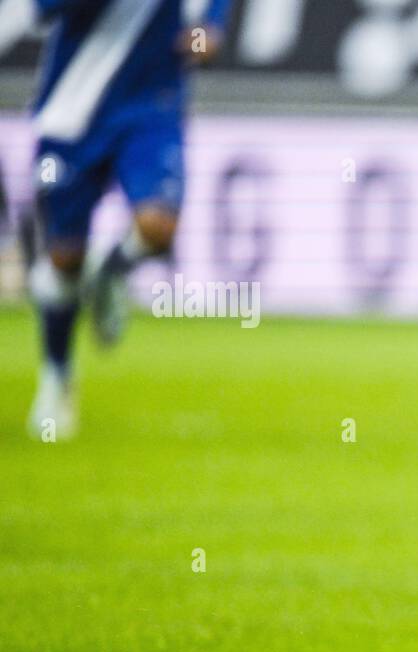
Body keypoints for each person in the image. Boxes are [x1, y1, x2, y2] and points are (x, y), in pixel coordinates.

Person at [26, 0, 229, 439]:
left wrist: (196, 42)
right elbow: (41, 11)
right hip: (72, 112)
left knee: (159, 225)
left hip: (151, 112)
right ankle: (56, 375)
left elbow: (205, 38)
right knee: (64, 258)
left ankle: (113, 268)